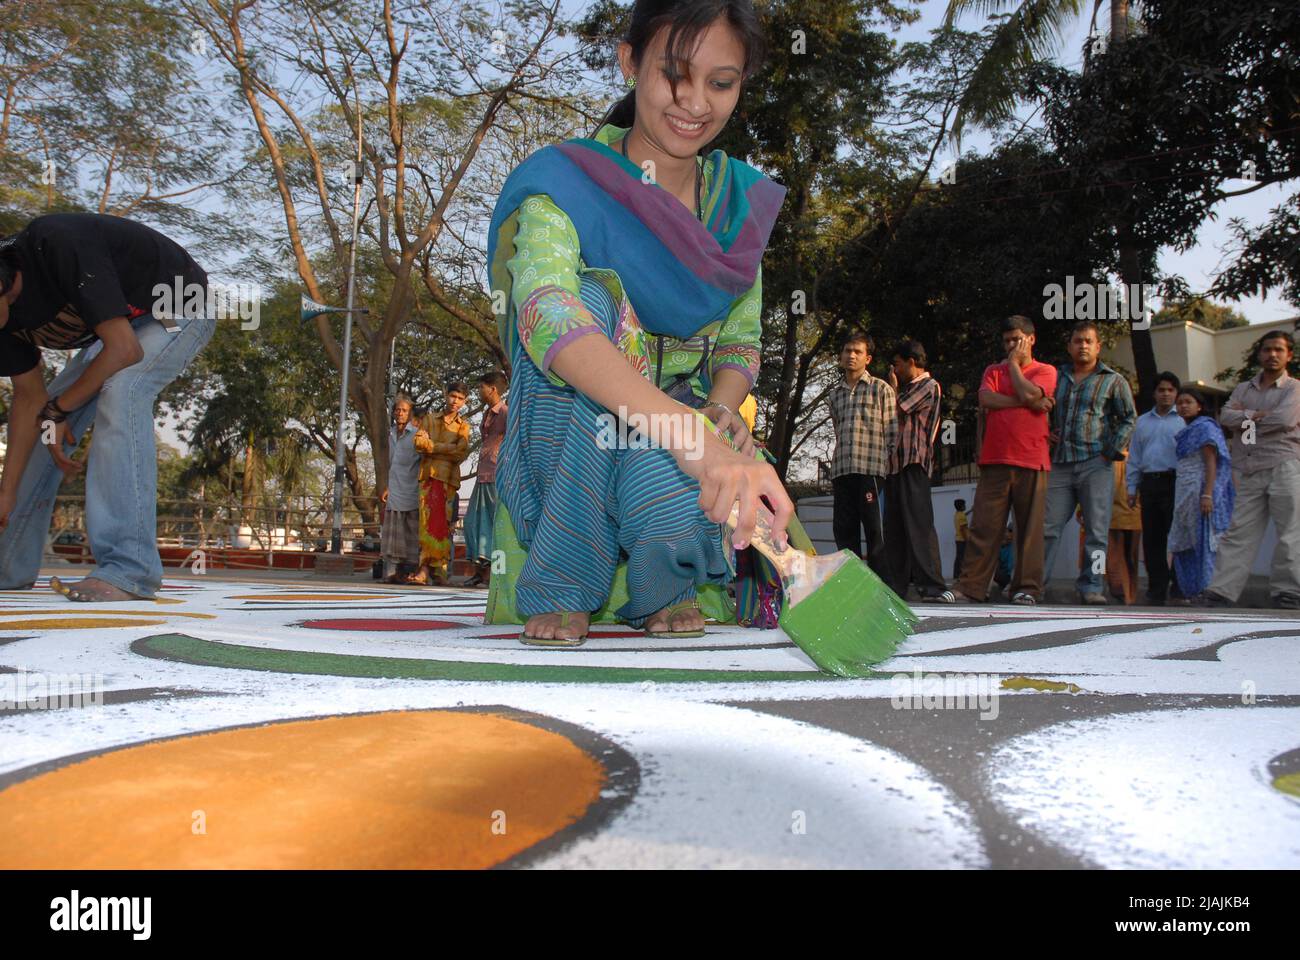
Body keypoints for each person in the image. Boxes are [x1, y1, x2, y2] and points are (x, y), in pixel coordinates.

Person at [485, 0, 793, 645]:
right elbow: (545, 311)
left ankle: (665, 584)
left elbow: (741, 340)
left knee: (684, 451)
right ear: (631, 62)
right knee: (591, 312)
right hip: (569, 413)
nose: (695, 102)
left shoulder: (740, 207)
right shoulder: (567, 181)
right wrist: (684, 433)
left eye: (721, 82)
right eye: (674, 73)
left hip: (674, 416)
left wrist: (717, 414)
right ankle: (565, 580)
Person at [0, 213, 215, 601]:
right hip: (116, 332)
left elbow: (125, 351)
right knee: (41, 421)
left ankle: (128, 570)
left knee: (123, 390)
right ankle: (7, 566)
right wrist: (6, 492)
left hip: (175, 307)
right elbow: (30, 399)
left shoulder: (56, 242)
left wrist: (60, 408)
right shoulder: (4, 321)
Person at [952, 316, 1057, 605]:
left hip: (1032, 458)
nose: (1011, 345)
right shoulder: (991, 370)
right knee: (984, 526)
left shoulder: (1045, 370)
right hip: (995, 458)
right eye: (1007, 341)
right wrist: (1030, 402)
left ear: (1031, 339)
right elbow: (987, 400)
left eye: (1017, 340)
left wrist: (1013, 366)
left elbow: (1031, 392)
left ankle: (1027, 588)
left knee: (1029, 530)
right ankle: (971, 586)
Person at [1041, 321, 1137, 604]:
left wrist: (1110, 451)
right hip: (1060, 463)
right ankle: (1036, 585)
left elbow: (1129, 418)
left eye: (1088, 341)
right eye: (1077, 341)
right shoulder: (1055, 377)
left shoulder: (1113, 380)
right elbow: (1040, 408)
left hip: (1096, 463)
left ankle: (1092, 586)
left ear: (1098, 347)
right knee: (1048, 528)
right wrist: (1046, 432)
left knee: (1097, 531)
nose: (1083, 345)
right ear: (1069, 346)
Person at [1204, 330, 1300, 607]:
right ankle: (1221, 590)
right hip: (1249, 467)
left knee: (1290, 531)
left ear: (1288, 355)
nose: (1273, 354)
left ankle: (1288, 591)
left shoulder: (1294, 388)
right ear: (1259, 354)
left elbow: (1284, 420)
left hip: (1286, 463)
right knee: (1238, 531)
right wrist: (1255, 416)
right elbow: (1227, 416)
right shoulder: (1244, 388)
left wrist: (1245, 418)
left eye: (1279, 350)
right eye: (1268, 349)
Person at [883, 339, 950, 600]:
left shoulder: (928, 385)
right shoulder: (906, 387)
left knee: (919, 525)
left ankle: (933, 585)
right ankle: (896, 587)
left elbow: (896, 408)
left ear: (912, 362)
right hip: (894, 465)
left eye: (897, 364)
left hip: (914, 462)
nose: (895, 370)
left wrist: (891, 388)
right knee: (895, 528)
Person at [827, 330, 896, 581]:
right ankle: (853, 584)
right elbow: (837, 428)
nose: (851, 356)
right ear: (841, 356)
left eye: (858, 352)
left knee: (875, 532)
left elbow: (891, 432)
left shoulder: (881, 389)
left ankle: (882, 588)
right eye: (847, 351)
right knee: (844, 532)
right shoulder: (834, 394)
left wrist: (885, 466)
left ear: (868, 358)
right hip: (842, 470)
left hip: (871, 470)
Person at [1125, 372, 1185, 604]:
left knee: (1178, 538)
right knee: (1152, 541)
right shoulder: (1142, 422)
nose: (1166, 394)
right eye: (1161, 390)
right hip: (1150, 483)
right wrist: (1132, 488)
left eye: (1170, 390)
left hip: (1176, 483)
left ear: (1176, 393)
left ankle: (1181, 588)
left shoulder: (1183, 420)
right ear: (1154, 393)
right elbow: (1135, 457)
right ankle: (1156, 590)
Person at [1169, 387, 1234, 601]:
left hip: (1200, 489)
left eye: (1188, 402)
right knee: (1185, 540)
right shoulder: (1186, 429)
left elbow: (1210, 462)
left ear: (1199, 406)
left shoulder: (1204, 428)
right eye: (1180, 403)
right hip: (1184, 490)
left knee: (1203, 542)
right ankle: (1191, 589)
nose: (1183, 406)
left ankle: (1206, 588)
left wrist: (1207, 495)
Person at [410, 384, 471, 586]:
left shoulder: (463, 426)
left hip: (448, 480)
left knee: (443, 526)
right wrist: (446, 449)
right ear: (446, 395)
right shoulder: (429, 419)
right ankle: (425, 568)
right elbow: (418, 443)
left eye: (460, 398)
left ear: (465, 402)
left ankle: (440, 571)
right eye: (453, 396)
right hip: (428, 477)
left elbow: (460, 452)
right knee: (426, 524)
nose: (455, 401)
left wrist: (432, 446)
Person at [461, 371, 508, 587]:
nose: (479, 391)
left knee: (494, 526)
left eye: (481, 387)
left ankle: (495, 575)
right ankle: (482, 571)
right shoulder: (487, 413)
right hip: (482, 473)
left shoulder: (506, 412)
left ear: (493, 389)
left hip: (498, 474)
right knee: (474, 523)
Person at [380, 394, 421, 583]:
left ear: (410, 413)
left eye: (404, 410)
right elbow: (391, 463)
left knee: (410, 533)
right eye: (397, 409)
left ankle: (410, 572)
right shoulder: (391, 433)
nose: (400, 413)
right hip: (395, 489)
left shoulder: (417, 434)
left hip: (412, 489)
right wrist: (388, 487)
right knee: (395, 534)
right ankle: (396, 572)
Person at [952, 498, 969, 579]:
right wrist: (967, 539)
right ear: (962, 506)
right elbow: (963, 529)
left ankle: (956, 575)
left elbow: (963, 516)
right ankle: (961, 575)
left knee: (958, 558)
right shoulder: (962, 516)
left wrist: (971, 511)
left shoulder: (957, 514)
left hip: (957, 539)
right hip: (962, 540)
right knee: (962, 558)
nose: (965, 506)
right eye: (964, 505)